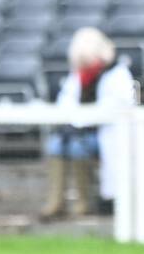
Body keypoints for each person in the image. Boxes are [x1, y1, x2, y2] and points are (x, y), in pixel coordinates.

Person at [41, 28, 135, 220]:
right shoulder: (78, 75)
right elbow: (66, 100)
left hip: (107, 134)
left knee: (77, 147)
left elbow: (111, 108)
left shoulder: (117, 74)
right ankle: (55, 202)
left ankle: (84, 202)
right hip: (79, 129)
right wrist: (72, 121)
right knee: (55, 145)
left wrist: (80, 121)